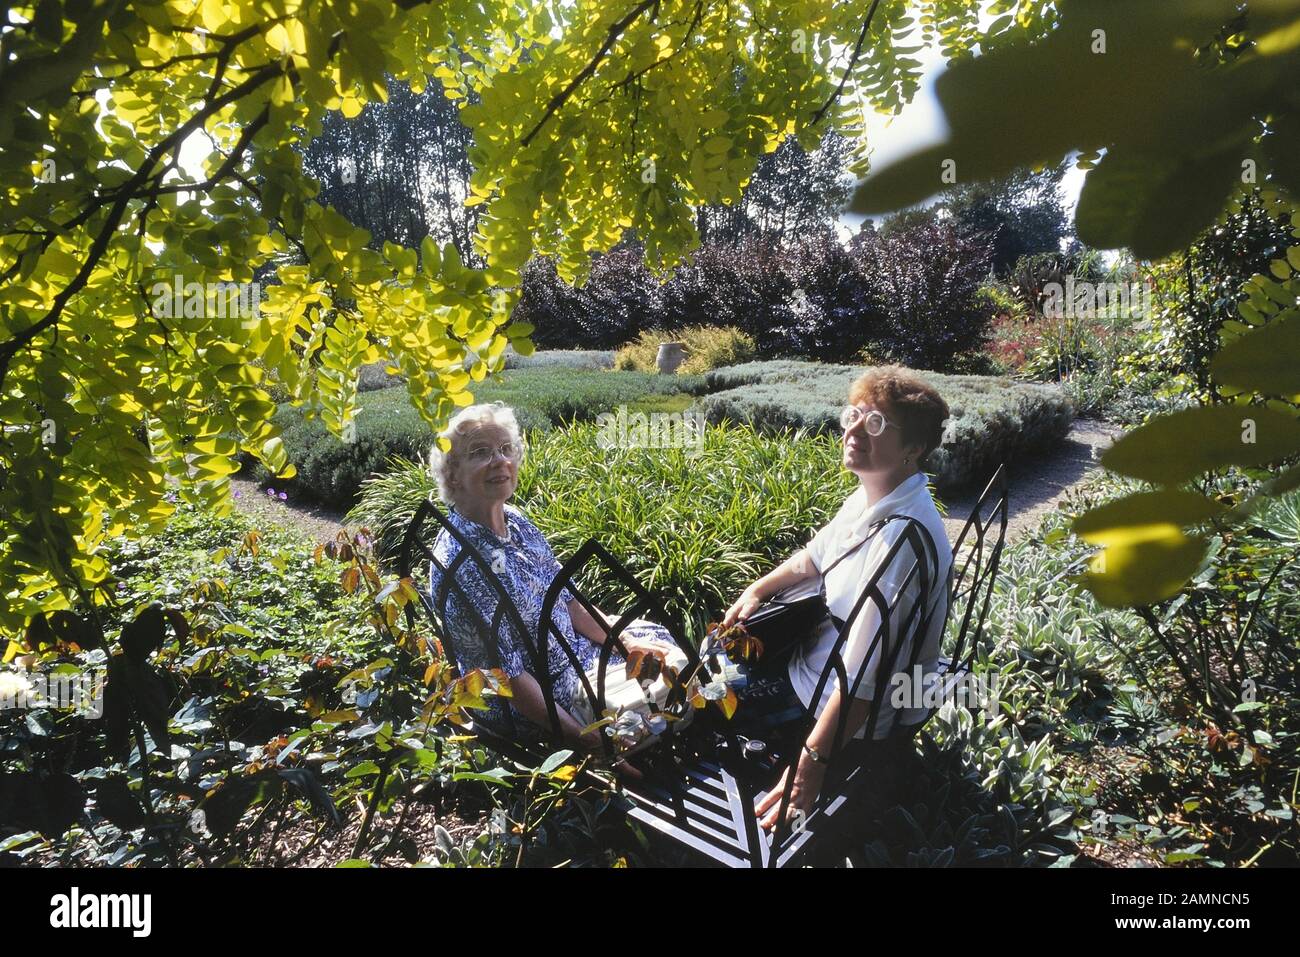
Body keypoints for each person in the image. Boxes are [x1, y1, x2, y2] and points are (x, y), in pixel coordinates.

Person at [722, 366, 953, 830]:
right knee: (715, 664)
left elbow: (863, 680)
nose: (853, 430)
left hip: (836, 705)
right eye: (854, 415)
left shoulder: (901, 544)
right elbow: (813, 558)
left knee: (709, 697)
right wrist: (757, 589)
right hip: (815, 666)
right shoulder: (875, 497)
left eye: (875, 424)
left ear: (914, 448)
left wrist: (810, 767)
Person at [426, 402, 681, 755]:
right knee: (677, 680)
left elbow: (567, 599)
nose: (500, 461)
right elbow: (510, 683)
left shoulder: (513, 520)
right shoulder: (464, 564)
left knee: (668, 653)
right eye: (480, 453)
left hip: (581, 658)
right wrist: (587, 741)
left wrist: (623, 643)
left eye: (505, 449)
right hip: (545, 703)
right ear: (452, 474)